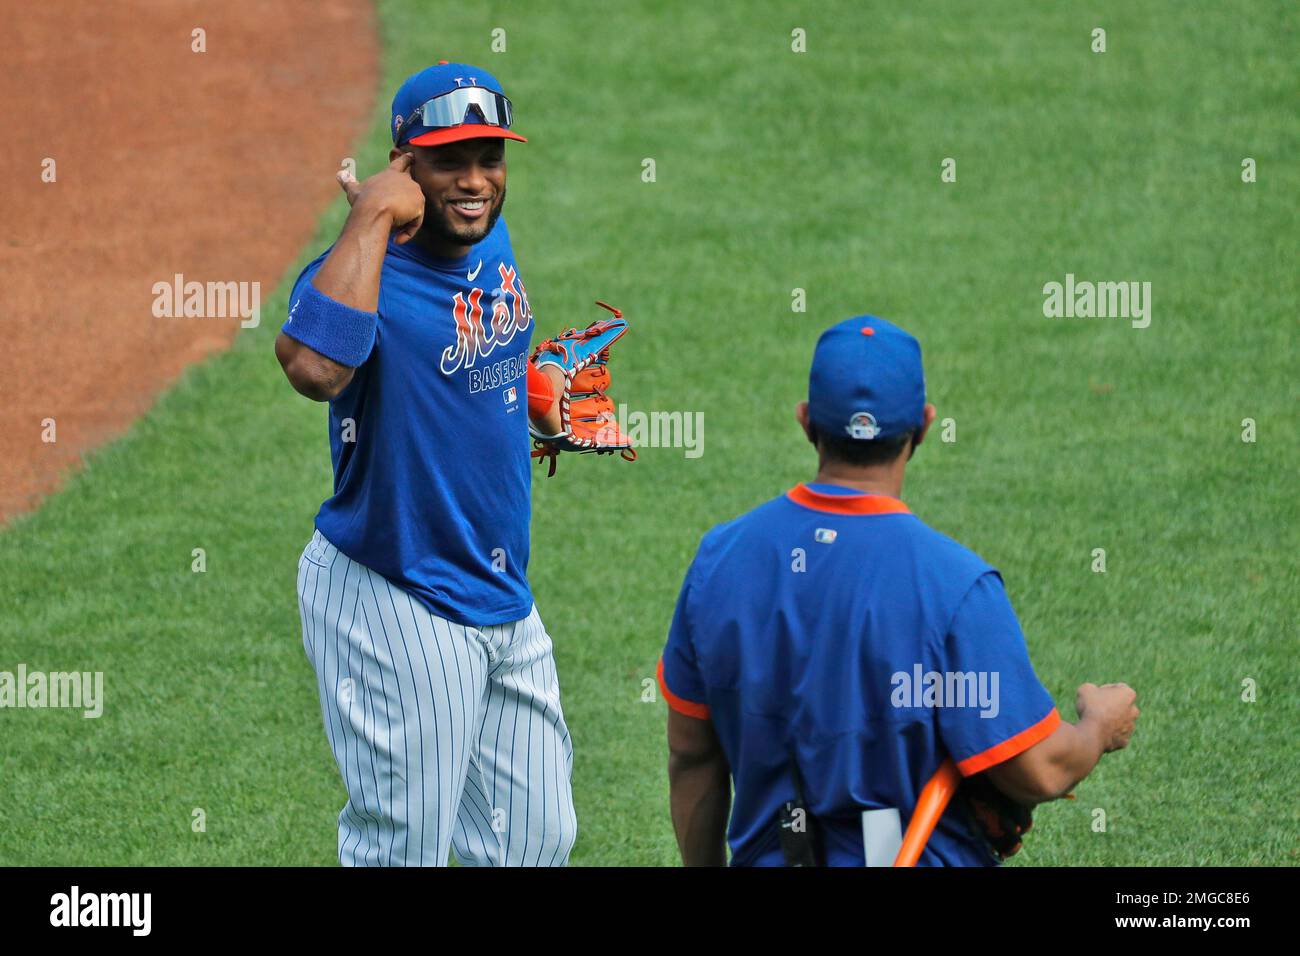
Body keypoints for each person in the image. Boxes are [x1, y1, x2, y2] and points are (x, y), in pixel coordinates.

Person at [657, 316, 1140, 866]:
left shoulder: (720, 562)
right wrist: (1099, 725)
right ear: (925, 426)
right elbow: (1040, 768)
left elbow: (692, 757)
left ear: (807, 422)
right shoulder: (953, 586)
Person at [275, 62, 589, 866]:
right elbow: (314, 370)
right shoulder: (361, 272)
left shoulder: (486, 231)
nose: (476, 181)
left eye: (490, 157)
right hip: (396, 590)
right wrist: (373, 216)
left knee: (534, 840)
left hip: (501, 589)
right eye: (450, 160)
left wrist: (535, 396)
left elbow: (466, 356)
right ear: (403, 160)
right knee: (401, 849)